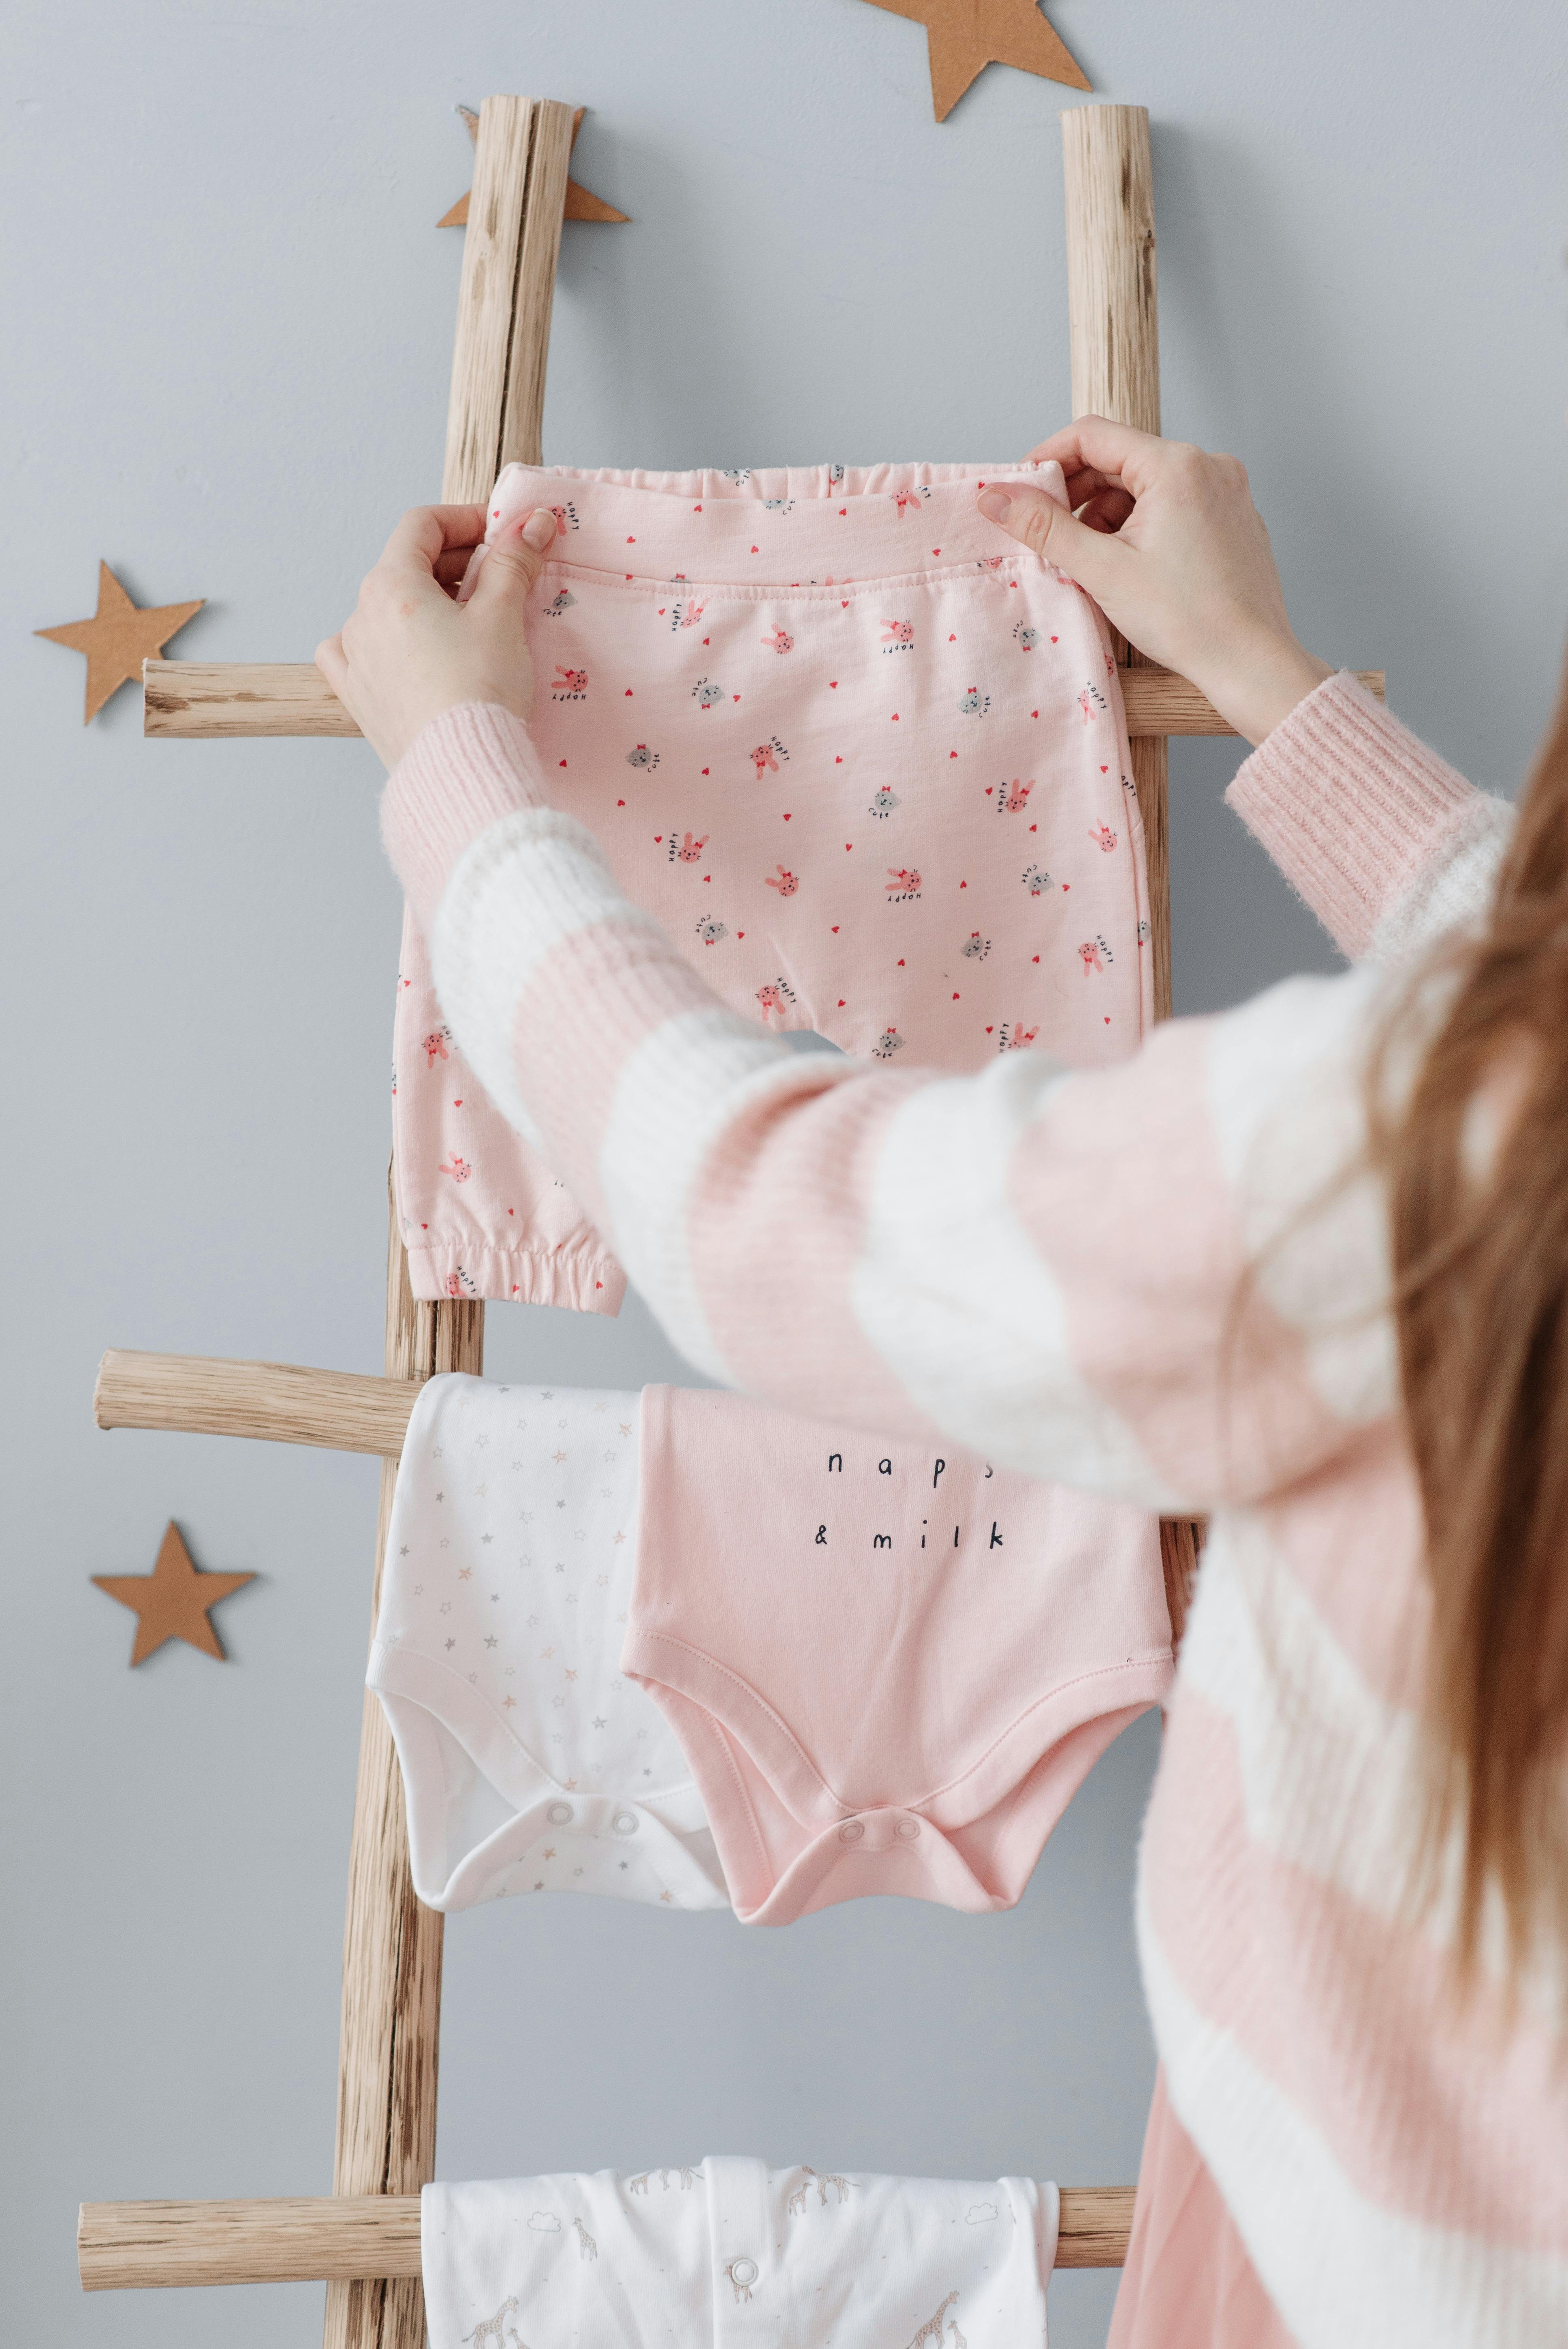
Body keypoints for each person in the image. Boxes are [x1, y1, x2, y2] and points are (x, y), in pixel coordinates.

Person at [318, 421, 1568, 2349]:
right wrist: (1263, 677)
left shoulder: (1404, 1170)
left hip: (1346, 2236)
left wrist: (457, 777)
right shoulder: (1456, 1143)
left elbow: (752, 1210)